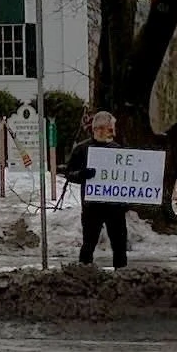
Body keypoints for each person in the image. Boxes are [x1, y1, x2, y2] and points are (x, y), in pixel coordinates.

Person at [63, 110, 128, 269]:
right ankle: (84, 274)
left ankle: (122, 276)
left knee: (119, 244)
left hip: (115, 206)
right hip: (93, 206)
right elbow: (69, 173)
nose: (113, 132)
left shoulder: (117, 149)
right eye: (110, 129)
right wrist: (82, 174)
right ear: (98, 129)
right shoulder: (82, 149)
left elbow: (126, 176)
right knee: (89, 243)